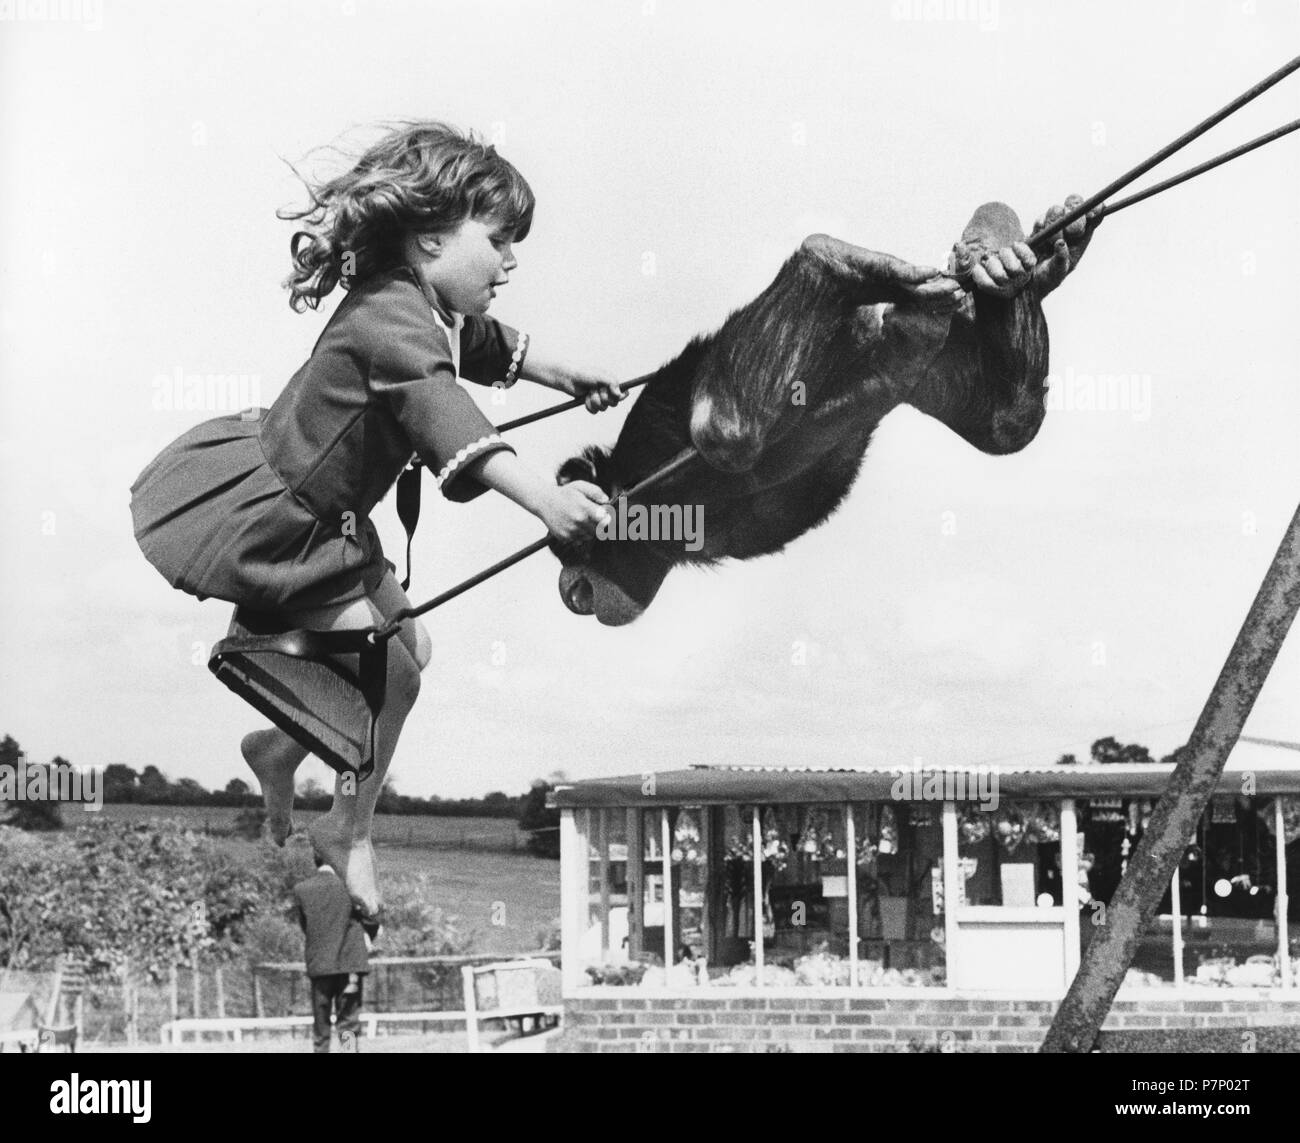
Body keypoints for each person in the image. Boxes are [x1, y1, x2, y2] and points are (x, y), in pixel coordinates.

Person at [130, 122, 624, 917]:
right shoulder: (390, 322)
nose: (512, 261)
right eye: (498, 241)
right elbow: (446, 410)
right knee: (388, 669)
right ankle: (348, 829)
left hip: (331, 524)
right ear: (431, 238)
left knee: (413, 643)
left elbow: (476, 344)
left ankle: (279, 745)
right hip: (287, 525)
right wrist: (546, 501)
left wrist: (563, 372)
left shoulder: (415, 305)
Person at [293, 858, 380, 1053]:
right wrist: (366, 935)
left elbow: (305, 926)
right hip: (349, 964)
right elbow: (372, 917)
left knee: (321, 1023)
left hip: (320, 965)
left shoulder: (302, 889)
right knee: (348, 1022)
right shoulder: (351, 887)